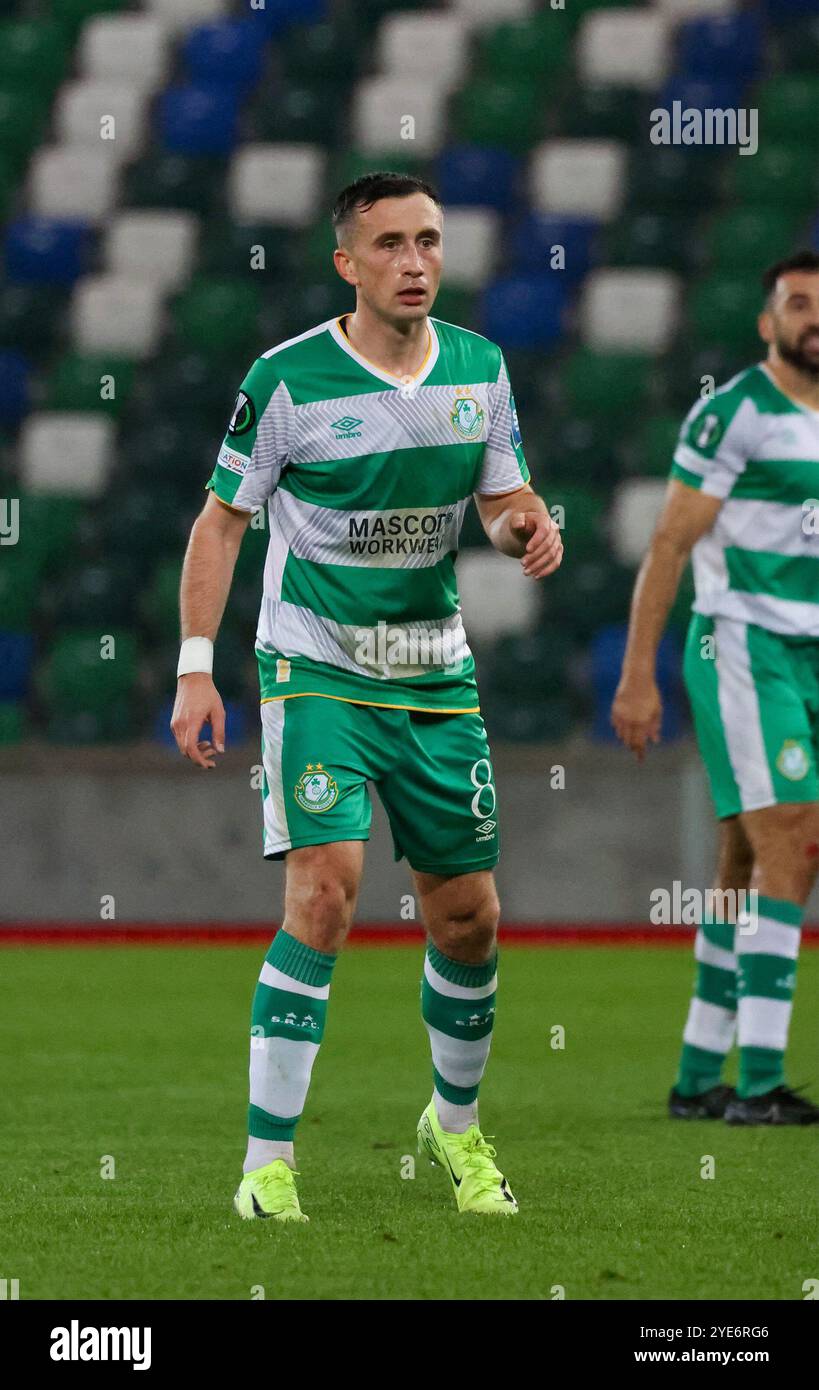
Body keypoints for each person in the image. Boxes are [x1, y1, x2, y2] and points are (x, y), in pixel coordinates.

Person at [171, 172, 563, 1219]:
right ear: (348, 264)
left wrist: (529, 522)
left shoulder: (480, 368)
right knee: (327, 888)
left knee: (470, 918)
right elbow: (221, 524)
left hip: (436, 675)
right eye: (390, 244)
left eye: (429, 240)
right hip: (318, 672)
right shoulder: (287, 379)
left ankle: (457, 1130)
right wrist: (196, 664)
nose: (416, 261)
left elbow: (502, 493)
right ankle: (266, 1165)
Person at [612, 250, 819, 1126]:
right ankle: (761, 1084)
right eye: (797, 304)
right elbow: (667, 545)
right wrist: (635, 677)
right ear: (767, 323)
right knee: (796, 845)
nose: (813, 318)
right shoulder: (734, 413)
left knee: (743, 856)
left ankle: (699, 1077)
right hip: (745, 643)